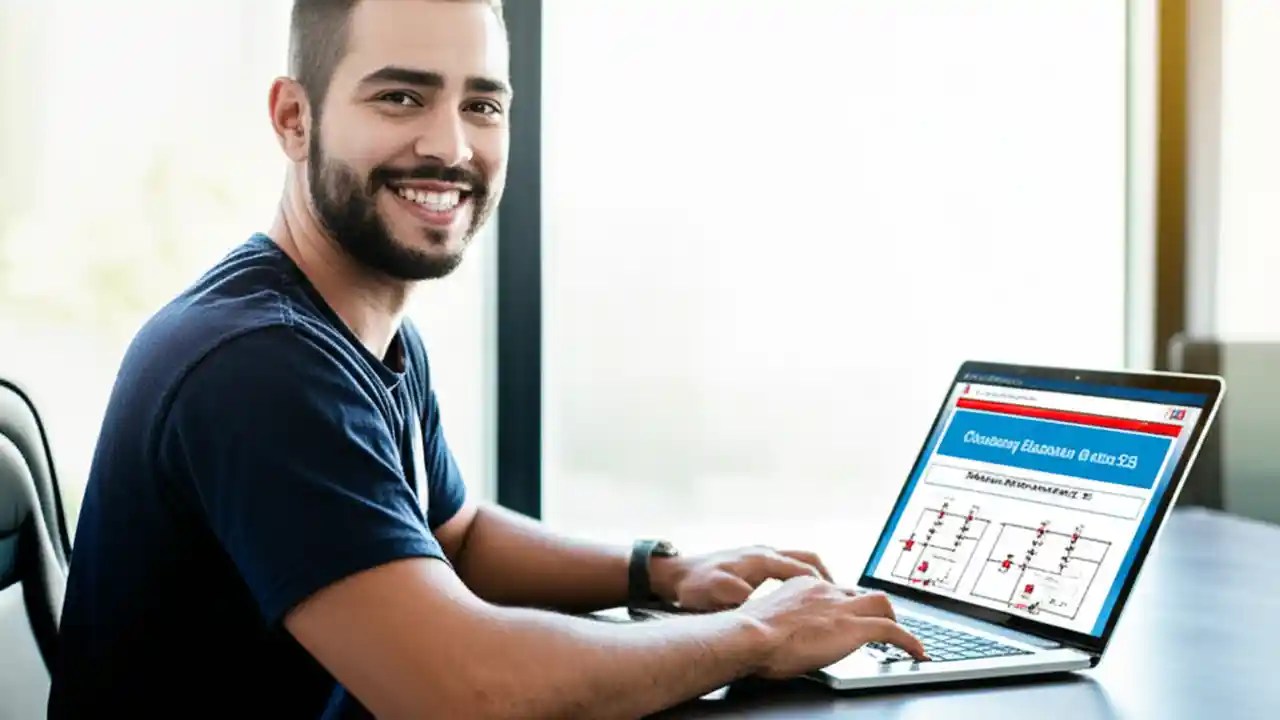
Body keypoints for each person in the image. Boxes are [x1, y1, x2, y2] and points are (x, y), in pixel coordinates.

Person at [48, 1, 925, 717]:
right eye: (401, 98)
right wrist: (756, 636)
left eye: (483, 105)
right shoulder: (256, 365)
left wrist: (664, 571)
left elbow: (451, 537)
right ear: (294, 117)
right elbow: (463, 688)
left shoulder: (361, 331)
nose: (452, 147)